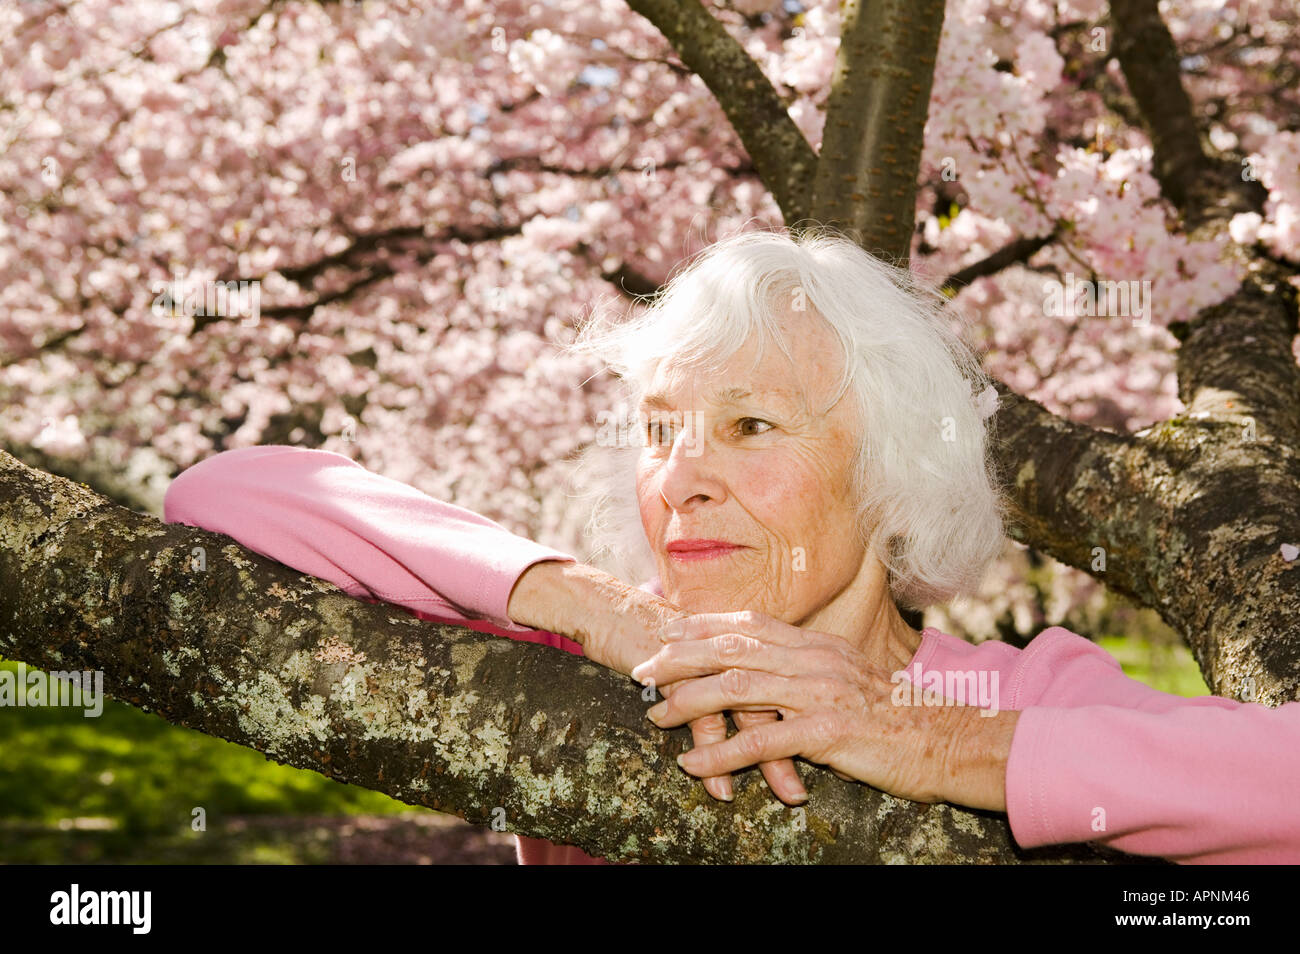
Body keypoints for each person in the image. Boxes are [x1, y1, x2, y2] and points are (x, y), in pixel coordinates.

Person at [164, 226, 1300, 864]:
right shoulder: (584, 669)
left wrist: (929, 740)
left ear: (886, 469)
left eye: (750, 425)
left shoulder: (1018, 692)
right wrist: (602, 611)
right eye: (661, 431)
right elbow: (224, 494)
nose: (680, 477)